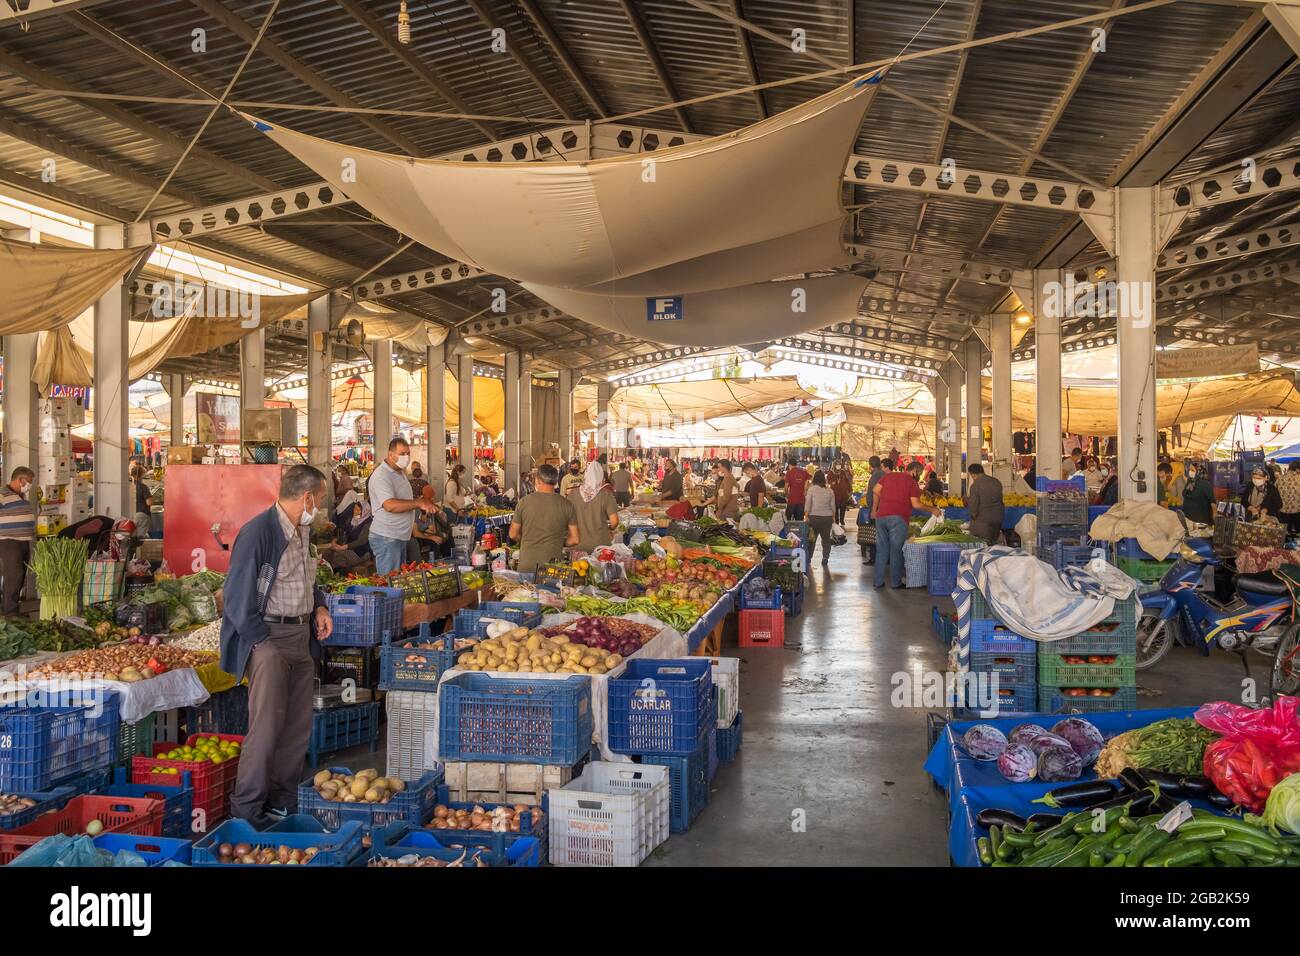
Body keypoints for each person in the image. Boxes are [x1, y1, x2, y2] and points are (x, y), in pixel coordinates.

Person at [221, 465, 334, 826]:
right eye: (322, 499)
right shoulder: (258, 533)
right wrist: (260, 644)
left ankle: (281, 799)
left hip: (301, 636)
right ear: (308, 497)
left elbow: (305, 580)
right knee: (266, 727)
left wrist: (318, 606)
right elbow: (236, 597)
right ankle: (246, 809)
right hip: (268, 638)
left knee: (297, 725)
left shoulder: (301, 532)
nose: (322, 506)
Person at [368, 437, 435, 575]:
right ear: (390, 455)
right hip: (387, 536)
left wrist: (420, 507)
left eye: (408, 453)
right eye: (402, 454)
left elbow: (404, 501)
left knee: (399, 580)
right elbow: (390, 505)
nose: (406, 457)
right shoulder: (382, 475)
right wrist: (418, 503)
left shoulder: (399, 472)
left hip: (399, 536)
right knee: (390, 582)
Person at [871, 459, 938, 588]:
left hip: (881, 517)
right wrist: (932, 509)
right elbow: (916, 504)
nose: (920, 475)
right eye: (919, 472)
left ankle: (878, 581)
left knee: (881, 549)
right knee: (896, 550)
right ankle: (896, 583)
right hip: (898, 519)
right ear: (915, 471)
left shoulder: (889, 476)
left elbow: (875, 490)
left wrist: (875, 509)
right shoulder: (912, 483)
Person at [510, 463, 579, 572]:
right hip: (553, 569)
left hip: (527, 566)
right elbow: (575, 539)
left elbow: (513, 534)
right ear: (556, 482)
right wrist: (559, 541)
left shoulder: (524, 502)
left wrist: (527, 539)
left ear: (538, 480)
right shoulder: (567, 504)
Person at [0, 467, 35, 616]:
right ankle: (11, 612)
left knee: (20, 575)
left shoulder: (20, 496)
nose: (30, 485)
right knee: (14, 574)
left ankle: (11, 607)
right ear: (21, 480)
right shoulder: (2, 494)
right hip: (9, 541)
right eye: (29, 482)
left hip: (23, 541)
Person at [569, 460, 620, 552]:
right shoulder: (606, 495)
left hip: (579, 544)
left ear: (586, 475)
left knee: (580, 566)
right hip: (601, 545)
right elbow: (615, 521)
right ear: (601, 477)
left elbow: (567, 518)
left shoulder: (573, 494)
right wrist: (610, 529)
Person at [966, 464, 1005, 546]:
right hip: (997, 519)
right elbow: (1001, 500)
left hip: (983, 522)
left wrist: (973, 516)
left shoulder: (975, 485)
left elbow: (973, 507)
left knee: (983, 546)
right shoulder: (996, 481)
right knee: (993, 544)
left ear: (972, 474)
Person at [804, 471, 837, 567]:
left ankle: (809, 558)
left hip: (814, 518)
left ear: (814, 479)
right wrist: (833, 518)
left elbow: (808, 504)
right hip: (827, 519)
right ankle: (825, 558)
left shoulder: (812, 489)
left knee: (811, 539)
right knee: (826, 539)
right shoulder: (830, 491)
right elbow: (833, 506)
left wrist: (806, 516)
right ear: (824, 479)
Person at [1181, 461, 1215, 527]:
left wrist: (1215, 521)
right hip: (1189, 521)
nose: (1190, 472)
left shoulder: (1205, 484)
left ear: (1199, 471)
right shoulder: (1190, 482)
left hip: (1201, 522)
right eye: (1190, 470)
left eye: (1192, 470)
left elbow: (1213, 504)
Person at [1276, 461, 1300, 535]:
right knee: (1298, 533)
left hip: (1283, 511)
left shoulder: (1280, 479)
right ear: (1297, 469)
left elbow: (1274, 493)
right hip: (1297, 510)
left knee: (1285, 534)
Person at [130, 464, 153, 536]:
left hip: (130, 515)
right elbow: (149, 502)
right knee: (139, 539)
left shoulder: (129, 487)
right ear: (141, 475)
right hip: (142, 515)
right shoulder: (143, 487)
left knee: (131, 536)